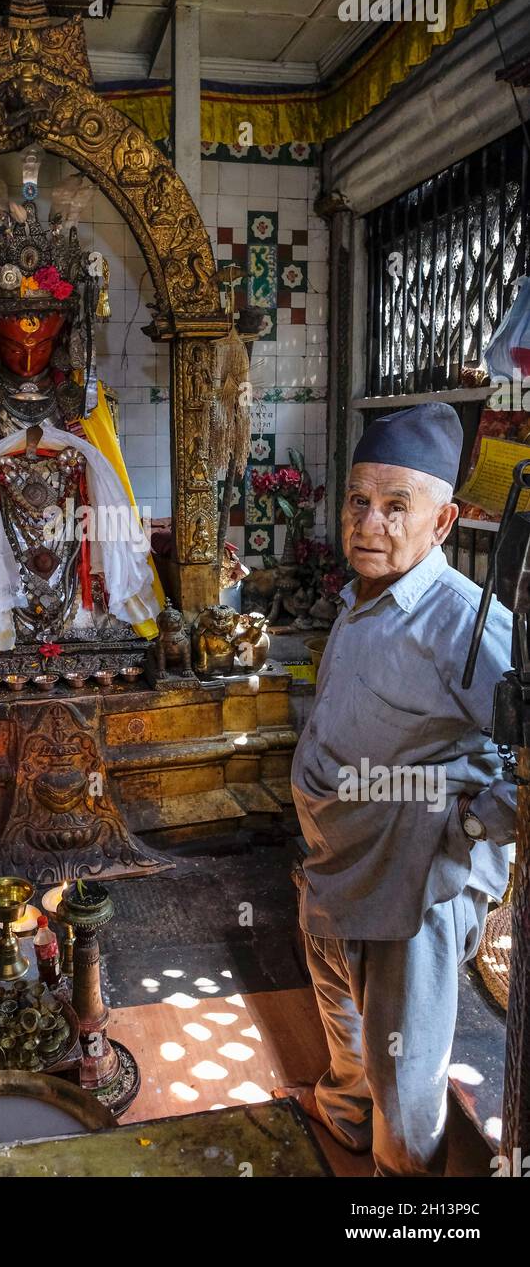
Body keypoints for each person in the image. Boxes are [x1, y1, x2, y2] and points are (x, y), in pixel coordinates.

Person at [274, 402, 515, 1176]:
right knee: (343, 1008)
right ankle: (346, 1115)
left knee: (404, 1064)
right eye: (357, 501)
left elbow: (523, 749)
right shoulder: (362, 596)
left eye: (395, 507)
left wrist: (476, 826)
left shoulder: (466, 623)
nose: (368, 523)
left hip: (414, 876)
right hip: (341, 853)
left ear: (442, 523)